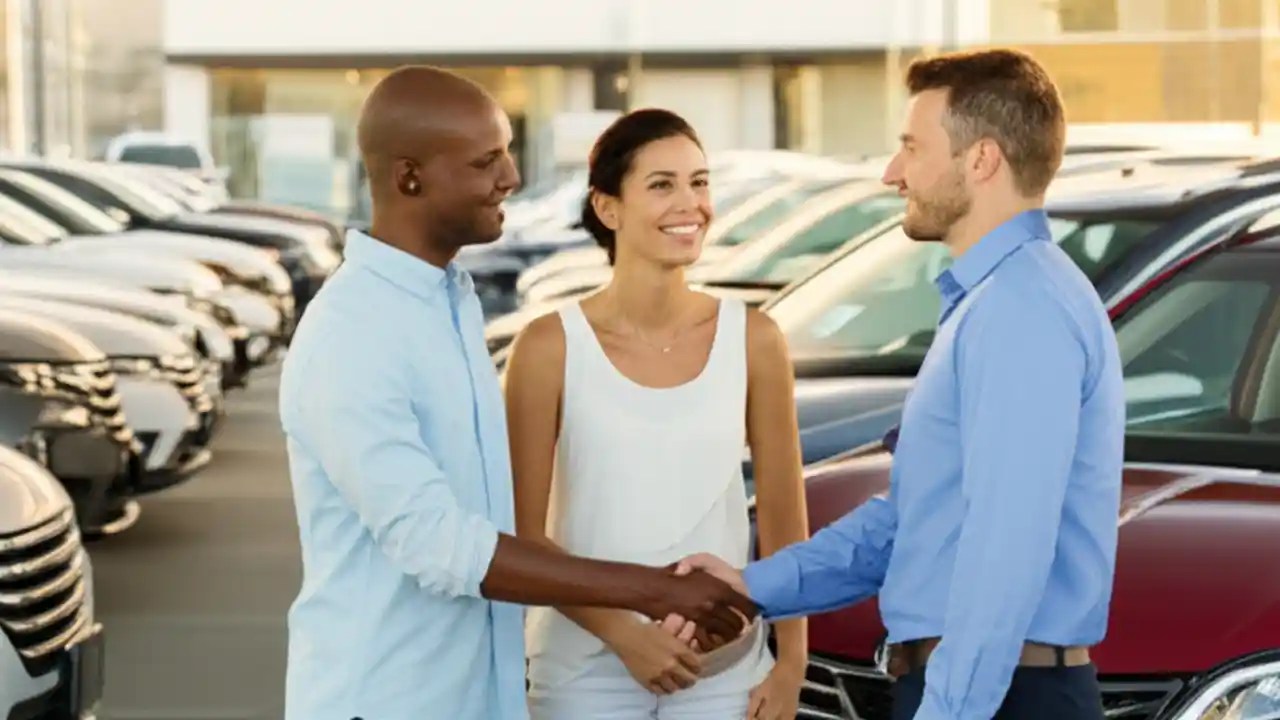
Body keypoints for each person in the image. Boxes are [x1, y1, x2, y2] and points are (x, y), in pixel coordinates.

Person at [276, 66, 757, 720]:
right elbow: (438, 542)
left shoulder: (446, 301)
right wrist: (648, 591)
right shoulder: (352, 332)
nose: (511, 178)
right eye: (487, 161)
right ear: (409, 176)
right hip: (387, 701)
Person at [682, 48, 1125, 720]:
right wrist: (750, 586)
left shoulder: (1020, 310)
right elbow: (914, 519)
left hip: (1002, 700)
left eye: (911, 147)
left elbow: (1004, 548)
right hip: (989, 692)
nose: (893, 173)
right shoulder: (995, 301)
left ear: (980, 161)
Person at [502, 108, 810, 719]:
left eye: (699, 182)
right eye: (662, 184)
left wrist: (791, 661)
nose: (690, 203)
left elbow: (782, 514)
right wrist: (625, 633)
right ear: (608, 208)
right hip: (583, 668)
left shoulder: (755, 338)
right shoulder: (547, 346)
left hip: (724, 665)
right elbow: (524, 538)